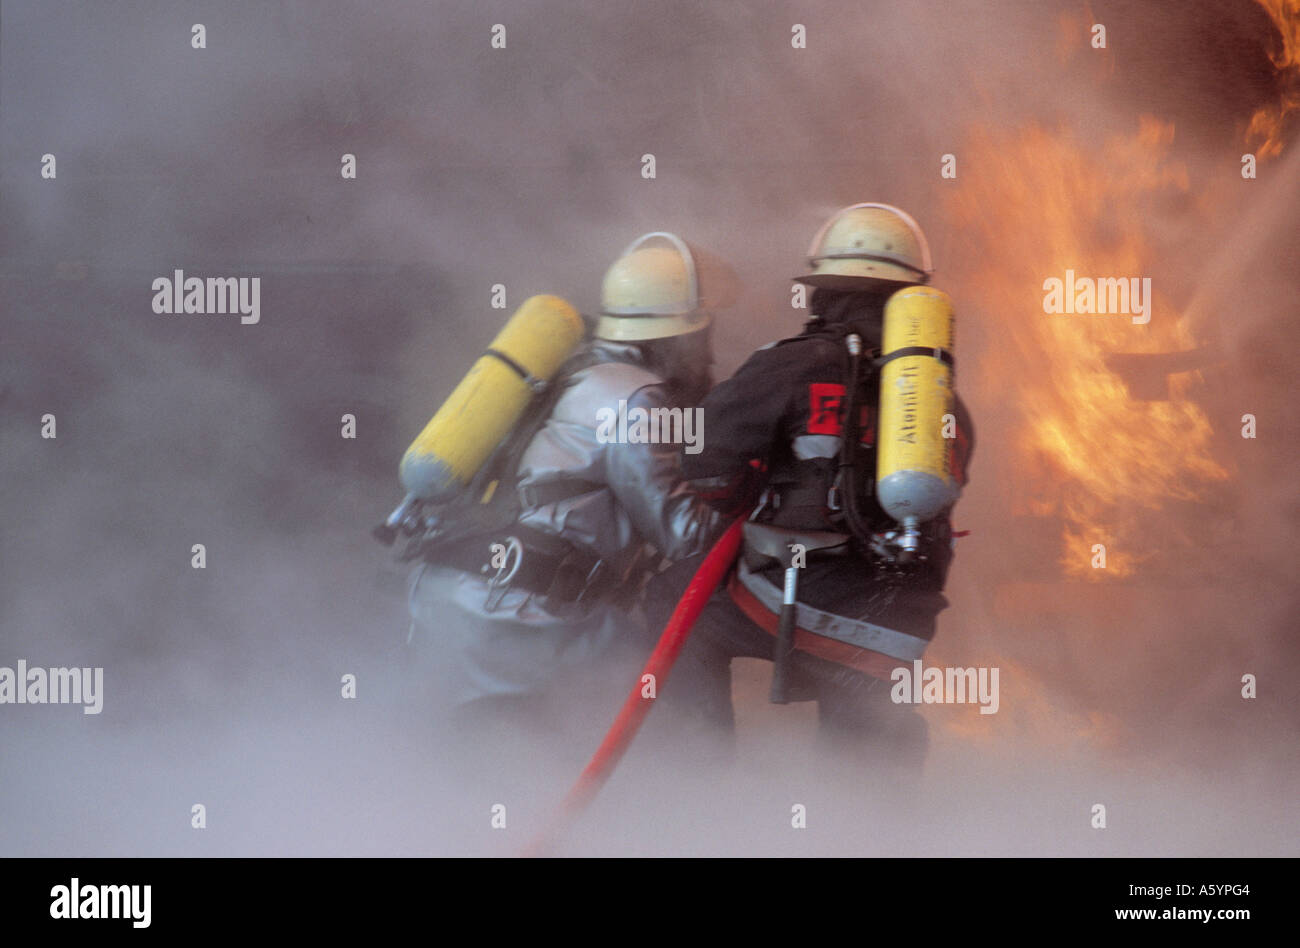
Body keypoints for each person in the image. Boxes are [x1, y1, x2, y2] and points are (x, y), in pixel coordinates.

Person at [641, 203, 975, 774]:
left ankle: (698, 782)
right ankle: (874, 824)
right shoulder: (942, 402)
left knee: (670, 601)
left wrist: (749, 499)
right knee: (863, 761)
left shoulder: (793, 365)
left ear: (823, 291)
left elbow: (707, 465)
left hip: (802, 601)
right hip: (900, 625)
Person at [404, 232, 732, 749]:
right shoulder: (638, 398)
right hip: (524, 617)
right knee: (667, 714)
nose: (708, 357)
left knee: (460, 761)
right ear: (679, 336)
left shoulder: (566, 370)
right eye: (702, 336)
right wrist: (748, 512)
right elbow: (681, 531)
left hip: (448, 597)